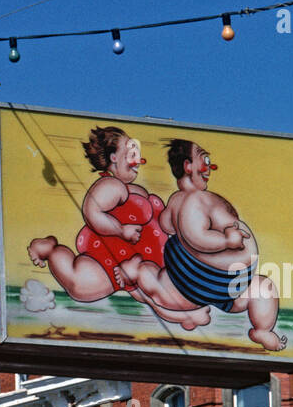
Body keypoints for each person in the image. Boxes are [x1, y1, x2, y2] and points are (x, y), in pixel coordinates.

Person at [26, 127, 206, 329]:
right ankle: (49, 249)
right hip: (108, 258)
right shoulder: (112, 185)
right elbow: (92, 211)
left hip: (136, 259)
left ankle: (184, 316)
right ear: (113, 157)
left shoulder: (133, 189)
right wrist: (121, 230)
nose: (137, 160)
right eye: (131, 154)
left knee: (150, 295)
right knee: (80, 286)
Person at [131, 140, 286, 351]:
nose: (210, 167)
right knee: (263, 287)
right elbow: (197, 237)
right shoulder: (194, 200)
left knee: (260, 287)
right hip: (215, 279)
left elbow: (167, 225)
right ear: (188, 166)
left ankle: (148, 283)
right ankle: (262, 329)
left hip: (208, 282)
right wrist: (227, 241)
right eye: (205, 159)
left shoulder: (177, 201)